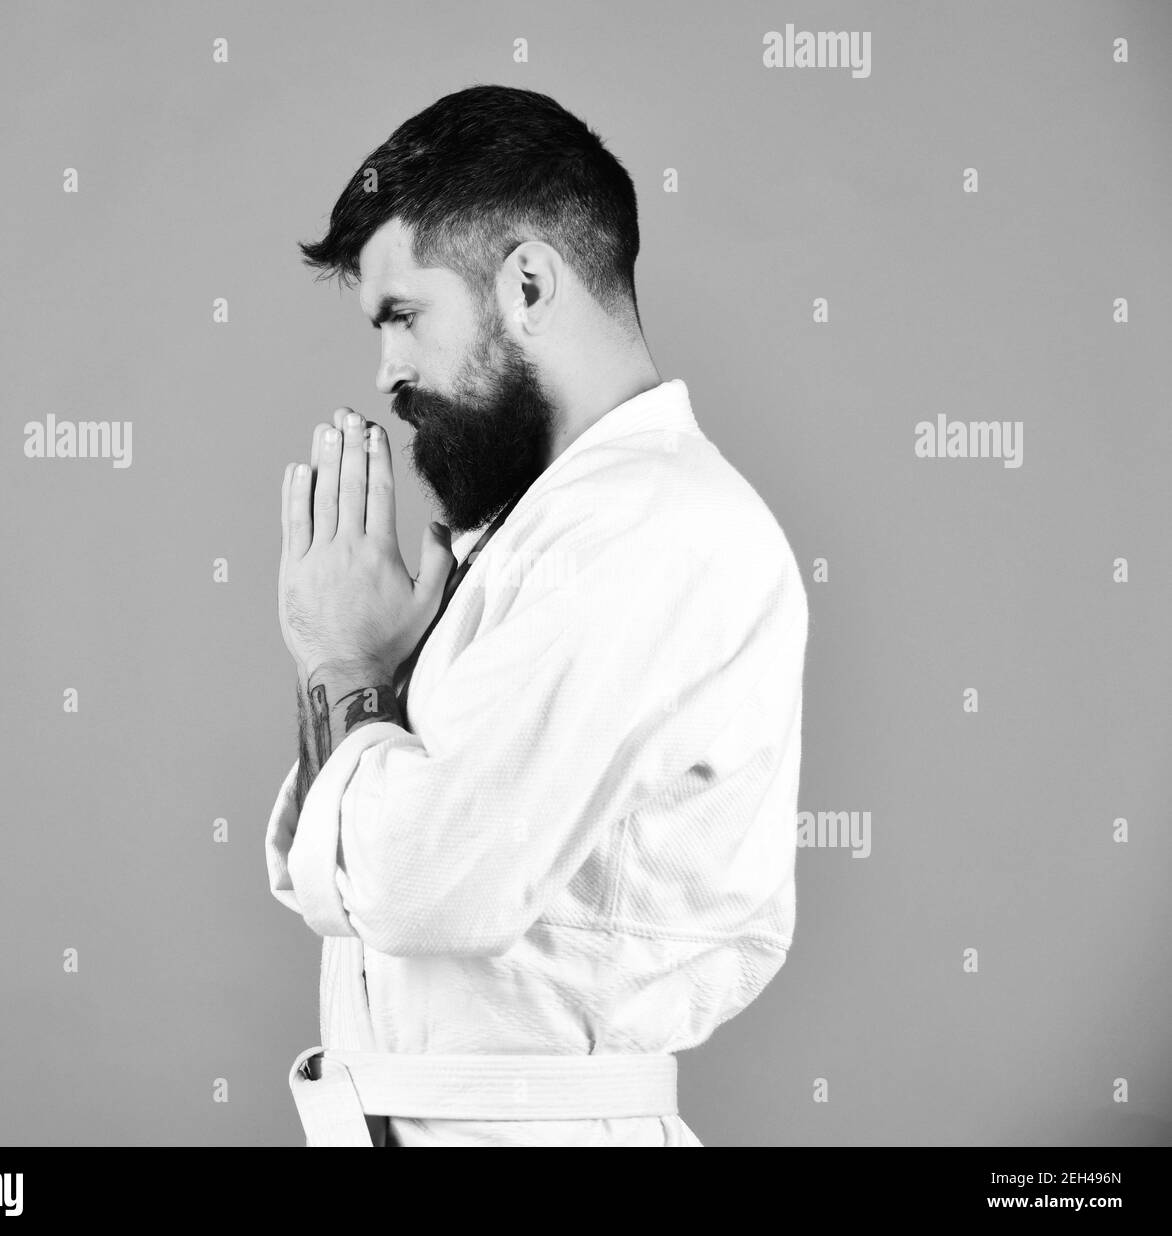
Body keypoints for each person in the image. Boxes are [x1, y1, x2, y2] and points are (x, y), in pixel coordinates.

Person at [266, 84, 809, 1147]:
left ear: (524, 282)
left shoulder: (650, 529)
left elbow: (415, 885)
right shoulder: (532, 539)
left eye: (403, 315)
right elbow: (320, 875)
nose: (387, 373)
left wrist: (341, 662)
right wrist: (369, 671)